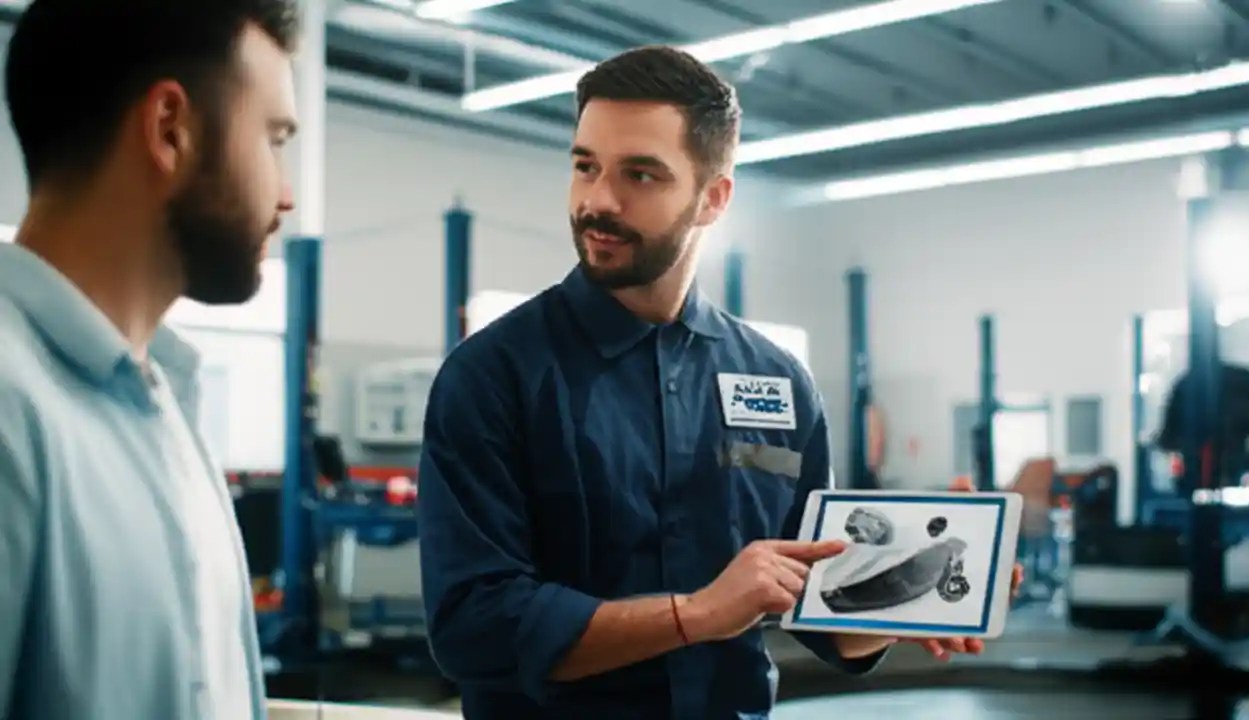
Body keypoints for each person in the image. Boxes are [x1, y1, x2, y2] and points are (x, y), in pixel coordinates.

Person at [417, 46, 1013, 719]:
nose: (598, 201)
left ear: (713, 198)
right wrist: (696, 614)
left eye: (640, 175)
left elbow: (819, 611)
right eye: (585, 166)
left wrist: (920, 594)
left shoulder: (777, 381)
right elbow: (474, 629)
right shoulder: (493, 377)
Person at [0, 2, 299, 719]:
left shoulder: (165, 401)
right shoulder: (11, 410)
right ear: (172, 129)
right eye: (274, 138)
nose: (287, 195)